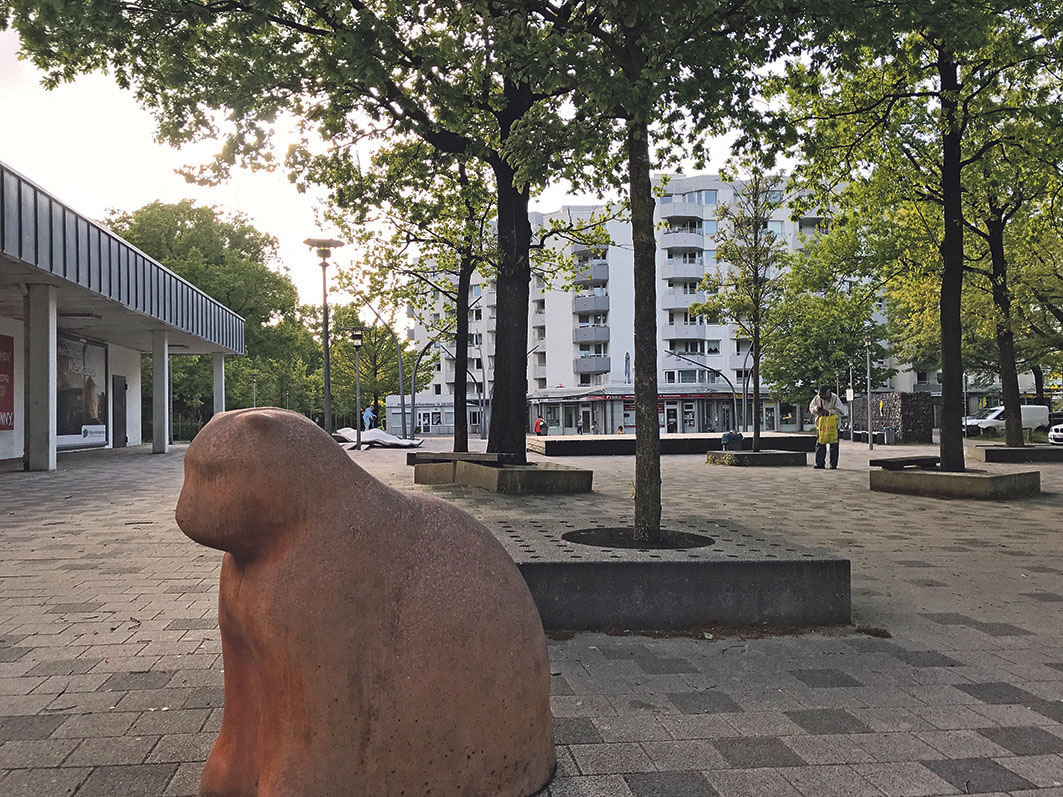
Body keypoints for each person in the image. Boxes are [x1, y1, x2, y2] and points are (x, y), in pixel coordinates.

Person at [809, 385, 847, 469]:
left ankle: (833, 464)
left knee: (834, 444)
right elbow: (811, 407)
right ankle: (819, 463)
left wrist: (829, 412)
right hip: (821, 425)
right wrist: (816, 409)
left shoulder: (835, 398)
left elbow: (841, 412)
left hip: (833, 425)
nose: (822, 398)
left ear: (829, 392)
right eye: (821, 396)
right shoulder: (817, 398)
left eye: (824, 396)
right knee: (820, 443)